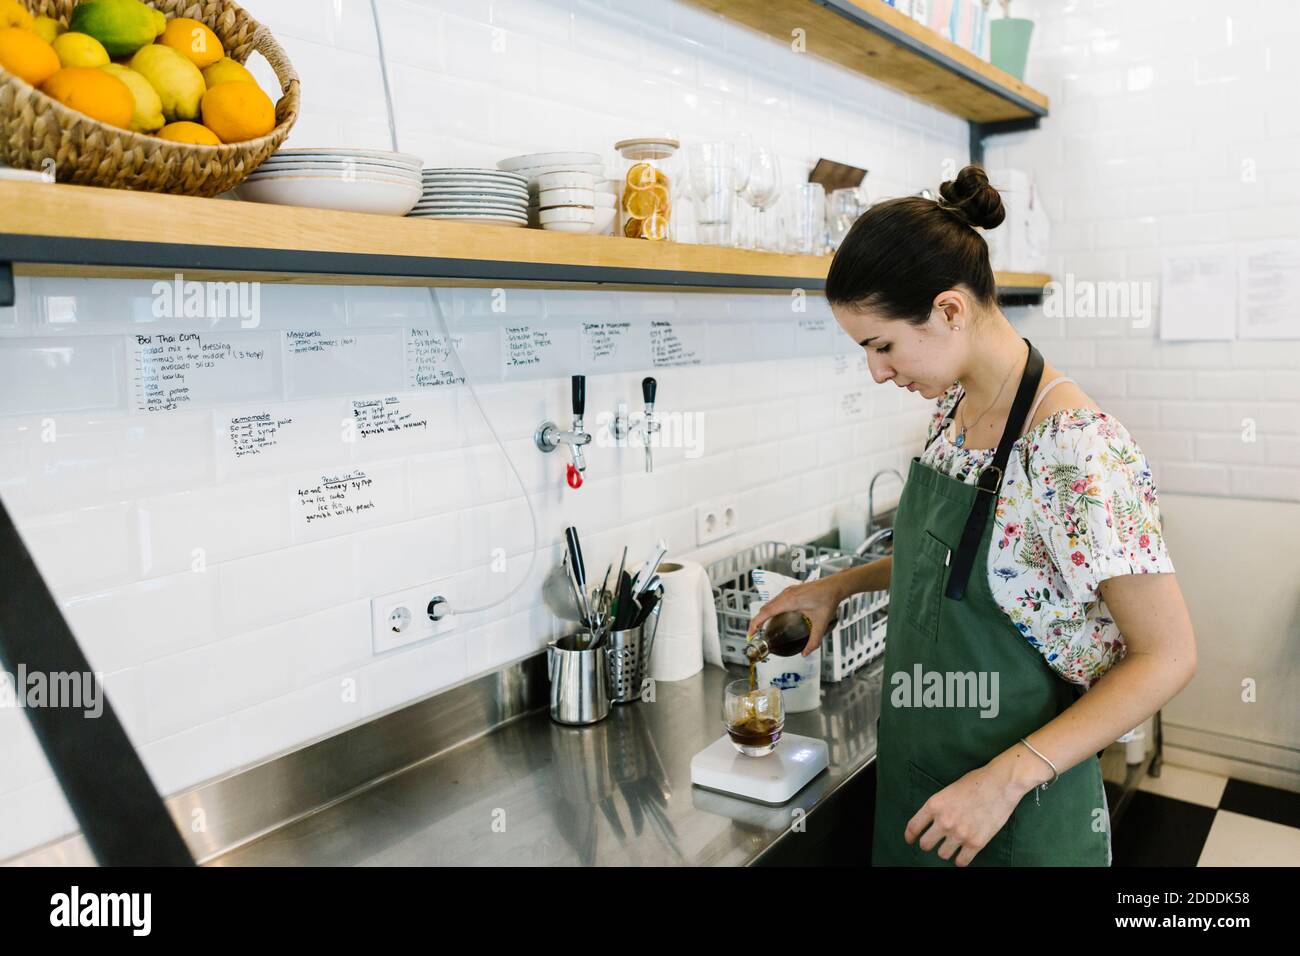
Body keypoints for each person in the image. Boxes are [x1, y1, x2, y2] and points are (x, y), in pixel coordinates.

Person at [747, 166, 1197, 867]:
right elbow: (956, 561)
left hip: (1016, 813)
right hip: (922, 798)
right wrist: (837, 586)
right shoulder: (951, 414)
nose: (876, 372)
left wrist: (1004, 780)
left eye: (882, 345)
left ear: (951, 310)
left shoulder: (1074, 448)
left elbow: (1168, 656)